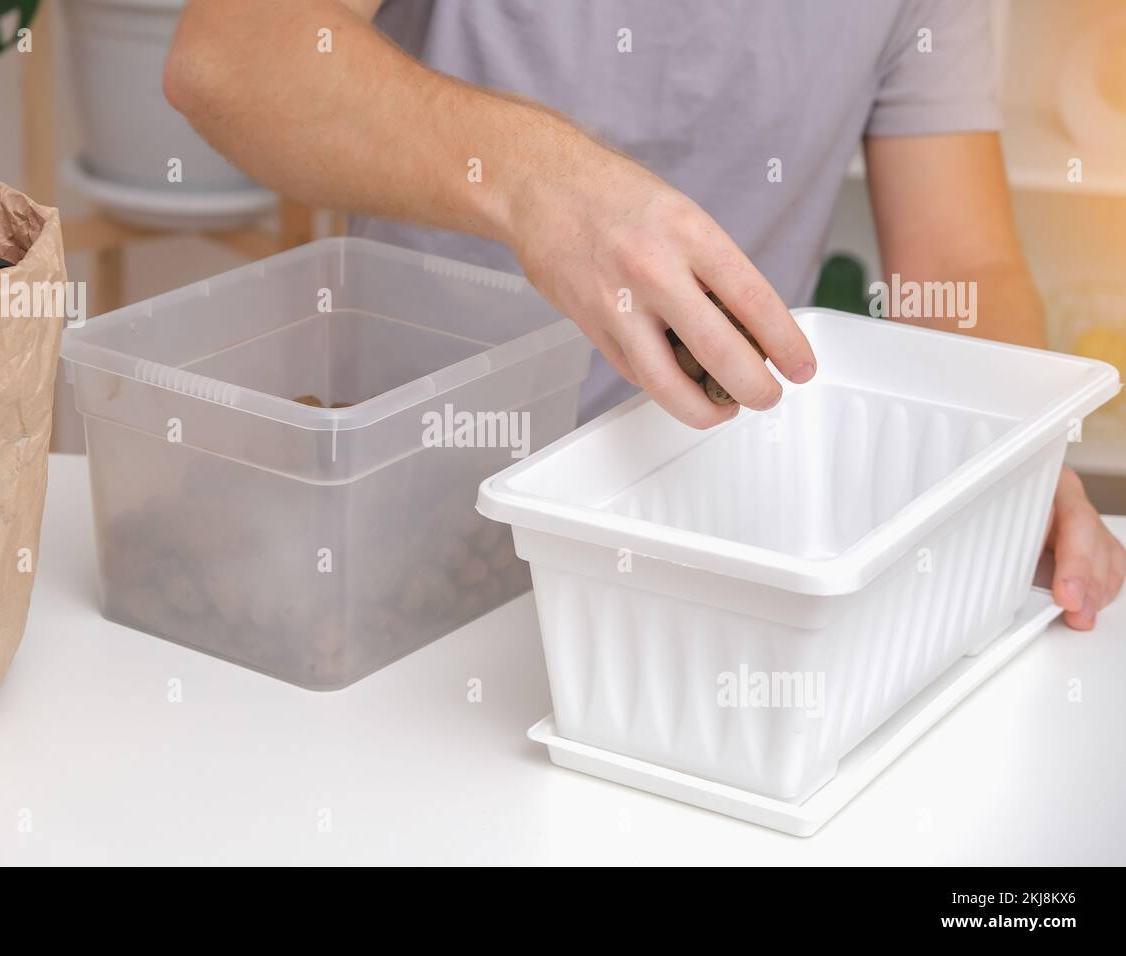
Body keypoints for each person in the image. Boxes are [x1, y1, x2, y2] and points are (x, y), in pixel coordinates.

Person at [162, 0, 1123, 629]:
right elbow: (233, 56)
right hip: (415, 515)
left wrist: (1008, 452)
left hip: (724, 536)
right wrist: (537, 182)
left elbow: (961, 262)